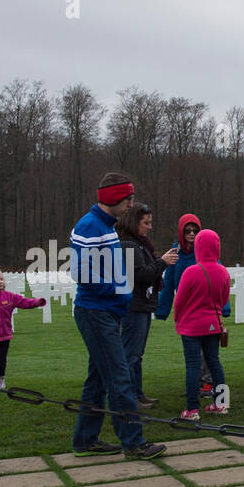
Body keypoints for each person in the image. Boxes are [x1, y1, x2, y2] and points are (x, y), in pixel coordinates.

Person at [69, 172, 166, 459]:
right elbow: (81, 273)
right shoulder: (90, 227)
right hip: (95, 312)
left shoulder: (106, 226)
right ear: (114, 198)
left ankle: (85, 440)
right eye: (128, 199)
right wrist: (117, 290)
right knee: (119, 376)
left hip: (106, 313)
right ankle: (134, 442)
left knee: (98, 379)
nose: (131, 205)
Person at [158, 212, 228, 396]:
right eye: (187, 230)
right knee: (194, 357)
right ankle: (203, 393)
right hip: (190, 311)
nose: (191, 234)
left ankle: (203, 391)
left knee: (208, 358)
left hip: (205, 308)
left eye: (195, 230)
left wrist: (224, 309)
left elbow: (221, 283)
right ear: (181, 232)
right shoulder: (175, 254)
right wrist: (162, 309)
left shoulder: (207, 254)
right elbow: (169, 282)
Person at [116, 202, 178, 408]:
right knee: (130, 354)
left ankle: (137, 393)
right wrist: (162, 262)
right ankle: (128, 398)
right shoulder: (127, 245)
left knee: (137, 354)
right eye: (146, 223)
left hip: (142, 305)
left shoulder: (138, 243)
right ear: (135, 223)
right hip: (134, 305)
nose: (150, 227)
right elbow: (140, 274)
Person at [172, 228, 230, 421]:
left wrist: (177, 318)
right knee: (214, 362)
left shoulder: (191, 272)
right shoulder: (223, 272)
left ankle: (192, 409)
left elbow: (179, 300)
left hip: (191, 326)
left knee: (192, 366)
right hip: (213, 325)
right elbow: (223, 300)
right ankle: (221, 403)